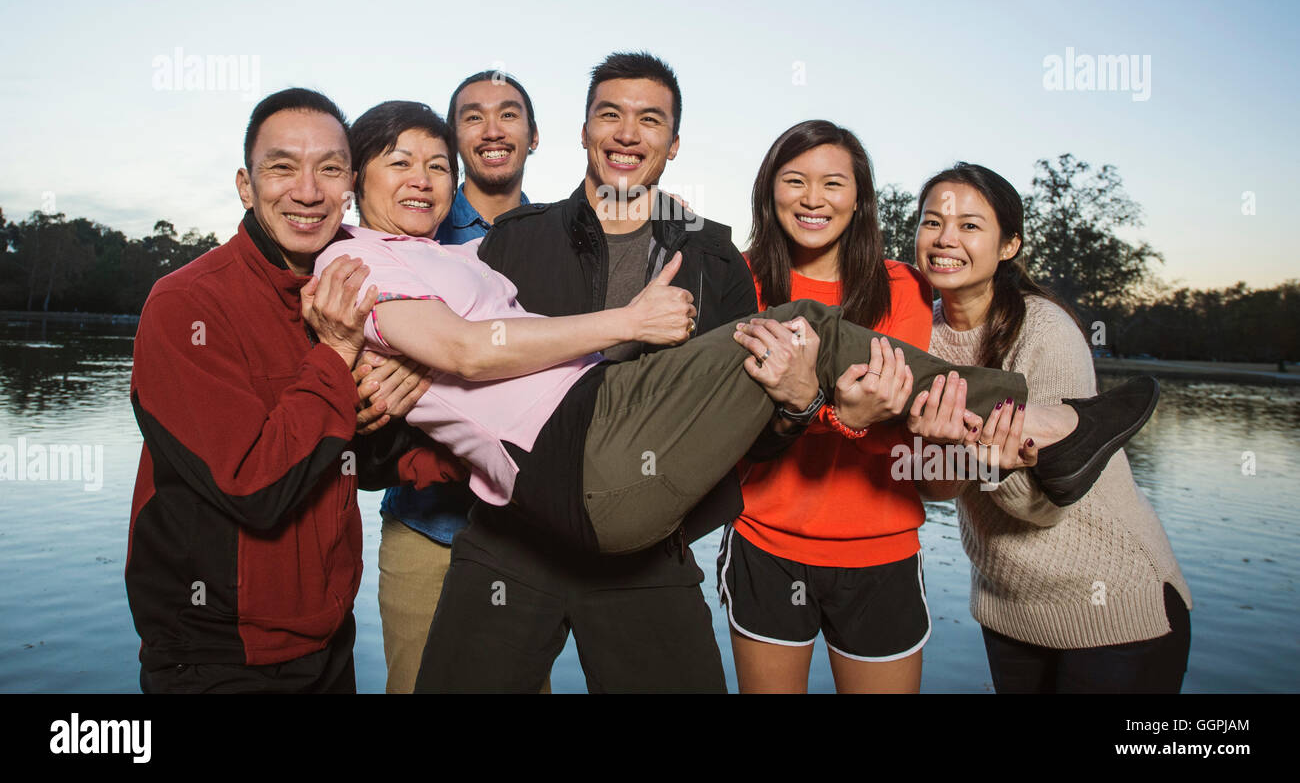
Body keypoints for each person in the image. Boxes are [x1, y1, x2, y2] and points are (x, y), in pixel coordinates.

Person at [312, 106, 1164, 677]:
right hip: (569, 470)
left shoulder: (471, 249)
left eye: (435, 163)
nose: (423, 177)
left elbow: (459, 338)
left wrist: (822, 411)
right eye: (399, 164)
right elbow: (459, 345)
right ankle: (1046, 424)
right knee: (804, 326)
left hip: (638, 471)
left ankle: (1030, 427)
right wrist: (625, 323)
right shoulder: (360, 261)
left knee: (802, 338)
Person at [412, 53, 763, 694]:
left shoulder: (715, 260)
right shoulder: (512, 241)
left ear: (674, 143)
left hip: (646, 553)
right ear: (582, 132)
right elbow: (453, 362)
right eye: (610, 114)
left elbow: (742, 417)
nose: (628, 134)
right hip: (511, 544)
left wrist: (795, 409)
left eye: (649, 120)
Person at [126, 89, 464, 694]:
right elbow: (258, 484)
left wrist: (447, 415)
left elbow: (358, 459)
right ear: (245, 186)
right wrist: (336, 353)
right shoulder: (187, 306)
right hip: (218, 656)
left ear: (351, 185)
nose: (308, 191)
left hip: (330, 642)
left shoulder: (354, 284)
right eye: (282, 167)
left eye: (330, 169)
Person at [911, 162, 1192, 693]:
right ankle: (1066, 424)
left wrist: (979, 453)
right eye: (931, 222)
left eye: (970, 225)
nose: (946, 238)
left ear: (1009, 245)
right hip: (1007, 609)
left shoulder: (1043, 329)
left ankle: (1070, 427)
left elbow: (1042, 508)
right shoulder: (918, 333)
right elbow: (933, 488)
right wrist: (946, 448)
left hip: (1115, 608)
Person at [718, 120, 937, 694]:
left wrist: (815, 407)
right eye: (795, 180)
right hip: (767, 543)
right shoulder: (740, 280)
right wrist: (840, 414)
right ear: (770, 191)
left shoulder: (903, 287)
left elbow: (901, 422)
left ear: (859, 197)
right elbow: (730, 419)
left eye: (833, 183)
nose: (813, 199)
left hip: (881, 548)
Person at [373, 72, 540, 695]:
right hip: (428, 526)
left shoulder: (561, 237)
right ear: (454, 139)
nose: (492, 129)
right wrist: (419, 347)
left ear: (534, 135)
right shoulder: (412, 223)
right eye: (472, 116)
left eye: (509, 114)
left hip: (531, 534)